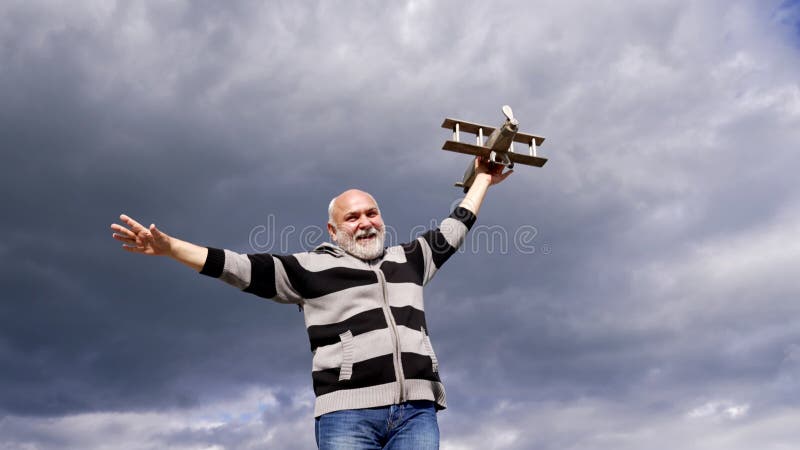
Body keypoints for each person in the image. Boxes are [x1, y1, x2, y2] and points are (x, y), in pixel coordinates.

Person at [111, 157, 512, 449]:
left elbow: (455, 226)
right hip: (347, 416)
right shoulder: (309, 268)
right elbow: (238, 267)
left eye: (371, 213)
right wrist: (169, 248)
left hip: (417, 414)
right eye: (353, 217)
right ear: (334, 229)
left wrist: (483, 179)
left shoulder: (410, 260)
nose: (365, 222)